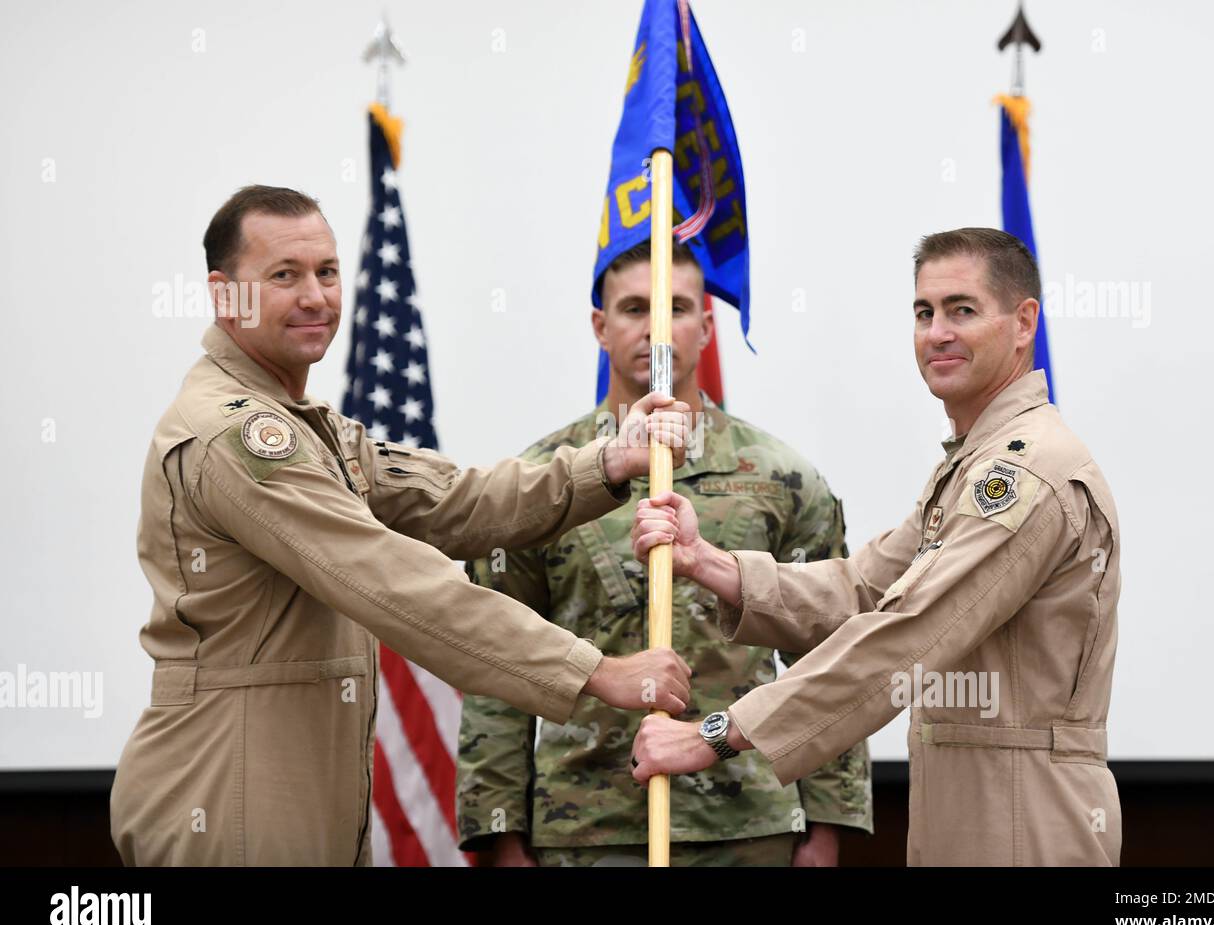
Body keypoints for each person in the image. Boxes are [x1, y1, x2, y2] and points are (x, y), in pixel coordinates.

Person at [111, 185, 694, 866]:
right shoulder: (237, 436)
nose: (316, 297)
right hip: (231, 797)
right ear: (224, 293)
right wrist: (593, 671)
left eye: (327, 272)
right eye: (284, 276)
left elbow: (458, 501)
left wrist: (607, 463)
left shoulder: (308, 426)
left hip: (298, 791)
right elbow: (393, 582)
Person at [629, 227, 1122, 866]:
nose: (937, 331)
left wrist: (716, 735)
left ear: (1024, 322)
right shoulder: (976, 462)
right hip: (974, 806)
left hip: (1027, 818)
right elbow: (862, 589)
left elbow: (907, 634)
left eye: (962, 310)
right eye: (924, 312)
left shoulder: (1026, 472)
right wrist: (707, 562)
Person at [456, 240, 872, 867]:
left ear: (706, 328)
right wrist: (500, 836)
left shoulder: (782, 480)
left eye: (675, 307)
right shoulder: (542, 484)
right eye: (633, 308)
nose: (655, 328)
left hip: (748, 822)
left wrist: (829, 825)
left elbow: (830, 655)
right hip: (586, 828)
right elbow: (499, 665)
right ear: (600, 326)